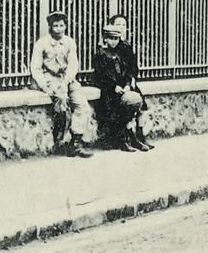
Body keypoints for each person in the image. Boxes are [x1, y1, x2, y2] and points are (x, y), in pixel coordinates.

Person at [29, 12, 92, 158]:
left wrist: (66, 82)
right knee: (62, 102)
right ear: (50, 27)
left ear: (65, 26)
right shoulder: (42, 43)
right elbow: (36, 68)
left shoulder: (69, 42)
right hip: (50, 78)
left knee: (81, 105)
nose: (59, 29)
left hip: (67, 79)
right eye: (55, 26)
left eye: (61, 25)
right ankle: (59, 142)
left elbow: (73, 65)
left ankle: (76, 143)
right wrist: (44, 86)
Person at [92, 16, 152, 151]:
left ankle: (137, 137)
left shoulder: (123, 49)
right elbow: (101, 75)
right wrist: (114, 86)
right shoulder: (101, 54)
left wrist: (128, 84)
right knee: (118, 108)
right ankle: (124, 139)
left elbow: (129, 69)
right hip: (109, 88)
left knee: (137, 104)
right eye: (111, 38)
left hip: (123, 86)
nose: (113, 41)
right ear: (105, 38)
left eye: (116, 38)